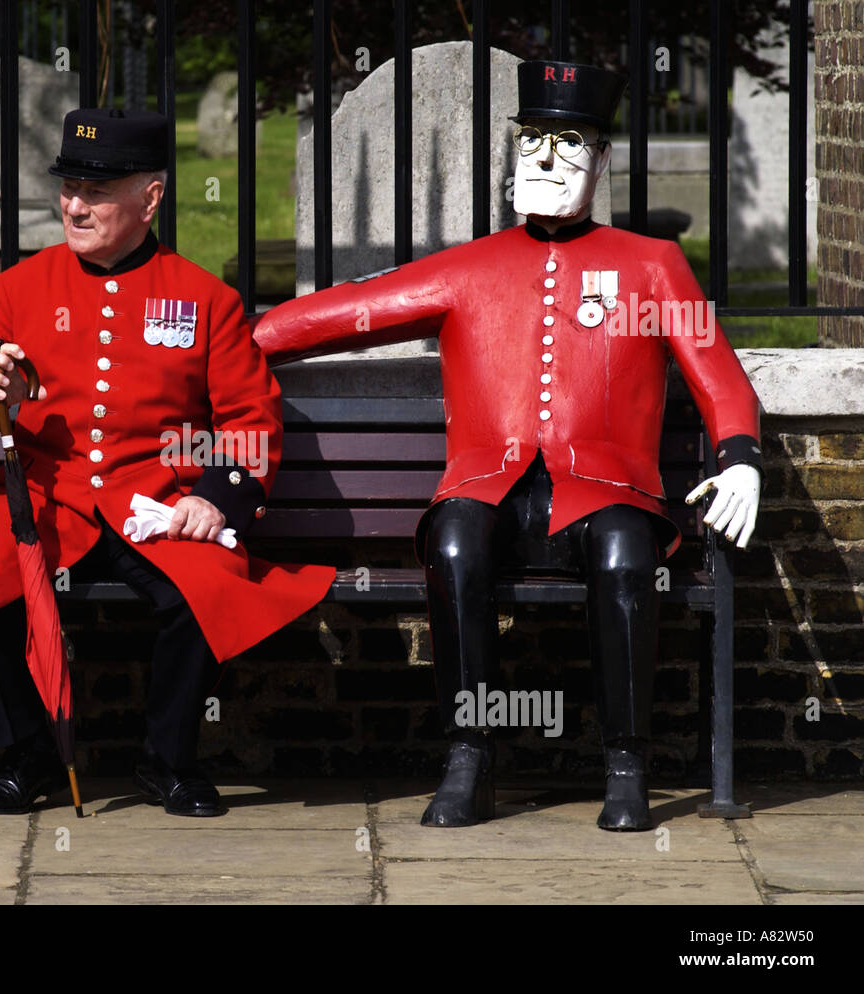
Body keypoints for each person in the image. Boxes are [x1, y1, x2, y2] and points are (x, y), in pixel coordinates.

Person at [251, 60, 761, 831]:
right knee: (454, 543)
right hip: (490, 484)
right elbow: (350, 312)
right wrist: (226, 344)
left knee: (627, 555)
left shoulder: (650, 265)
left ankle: (626, 762)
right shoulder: (472, 268)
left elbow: (718, 374)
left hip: (607, 488)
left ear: (600, 159)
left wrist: (741, 459)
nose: (547, 160)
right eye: (533, 144)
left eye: (568, 143)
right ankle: (469, 754)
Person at [0, 107, 335, 817]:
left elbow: (251, 419)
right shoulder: (22, 288)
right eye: (69, 186)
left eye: (98, 191)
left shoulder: (207, 299)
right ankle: (26, 754)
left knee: (209, 591)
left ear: (151, 197)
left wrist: (213, 500)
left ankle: (168, 761)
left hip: (155, 506)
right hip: (49, 501)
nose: (75, 205)